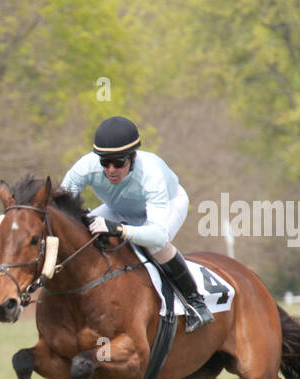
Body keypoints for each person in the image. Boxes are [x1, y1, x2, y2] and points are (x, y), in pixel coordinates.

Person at [60, 116, 213, 332]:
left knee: (153, 245)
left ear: (133, 157)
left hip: (170, 204)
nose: (111, 169)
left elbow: (157, 235)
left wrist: (118, 230)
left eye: (118, 162)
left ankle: (195, 303)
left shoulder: (152, 173)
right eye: (105, 162)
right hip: (118, 207)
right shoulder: (85, 167)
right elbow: (60, 207)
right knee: (82, 235)